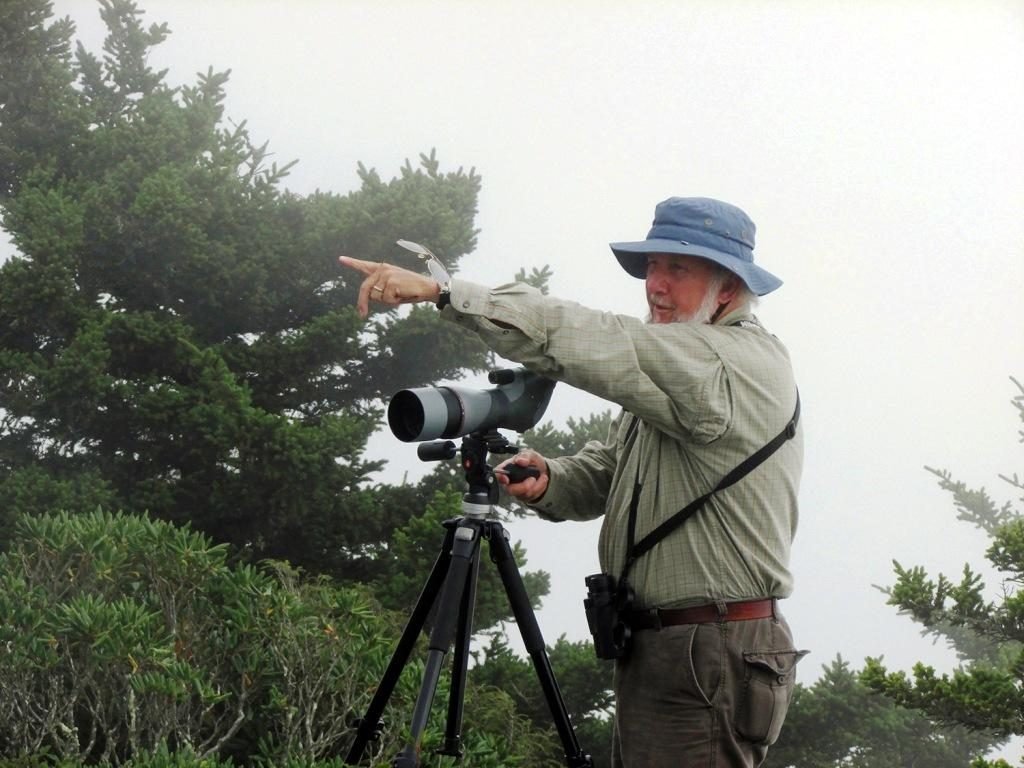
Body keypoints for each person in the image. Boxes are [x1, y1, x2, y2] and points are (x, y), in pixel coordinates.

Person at [339, 196, 805, 768]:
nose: (654, 285)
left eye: (676, 269)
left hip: (707, 648)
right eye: (651, 267)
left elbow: (595, 339)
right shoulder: (682, 367)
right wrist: (551, 480)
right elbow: (613, 472)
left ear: (729, 288)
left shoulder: (728, 364)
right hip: (670, 644)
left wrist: (444, 292)